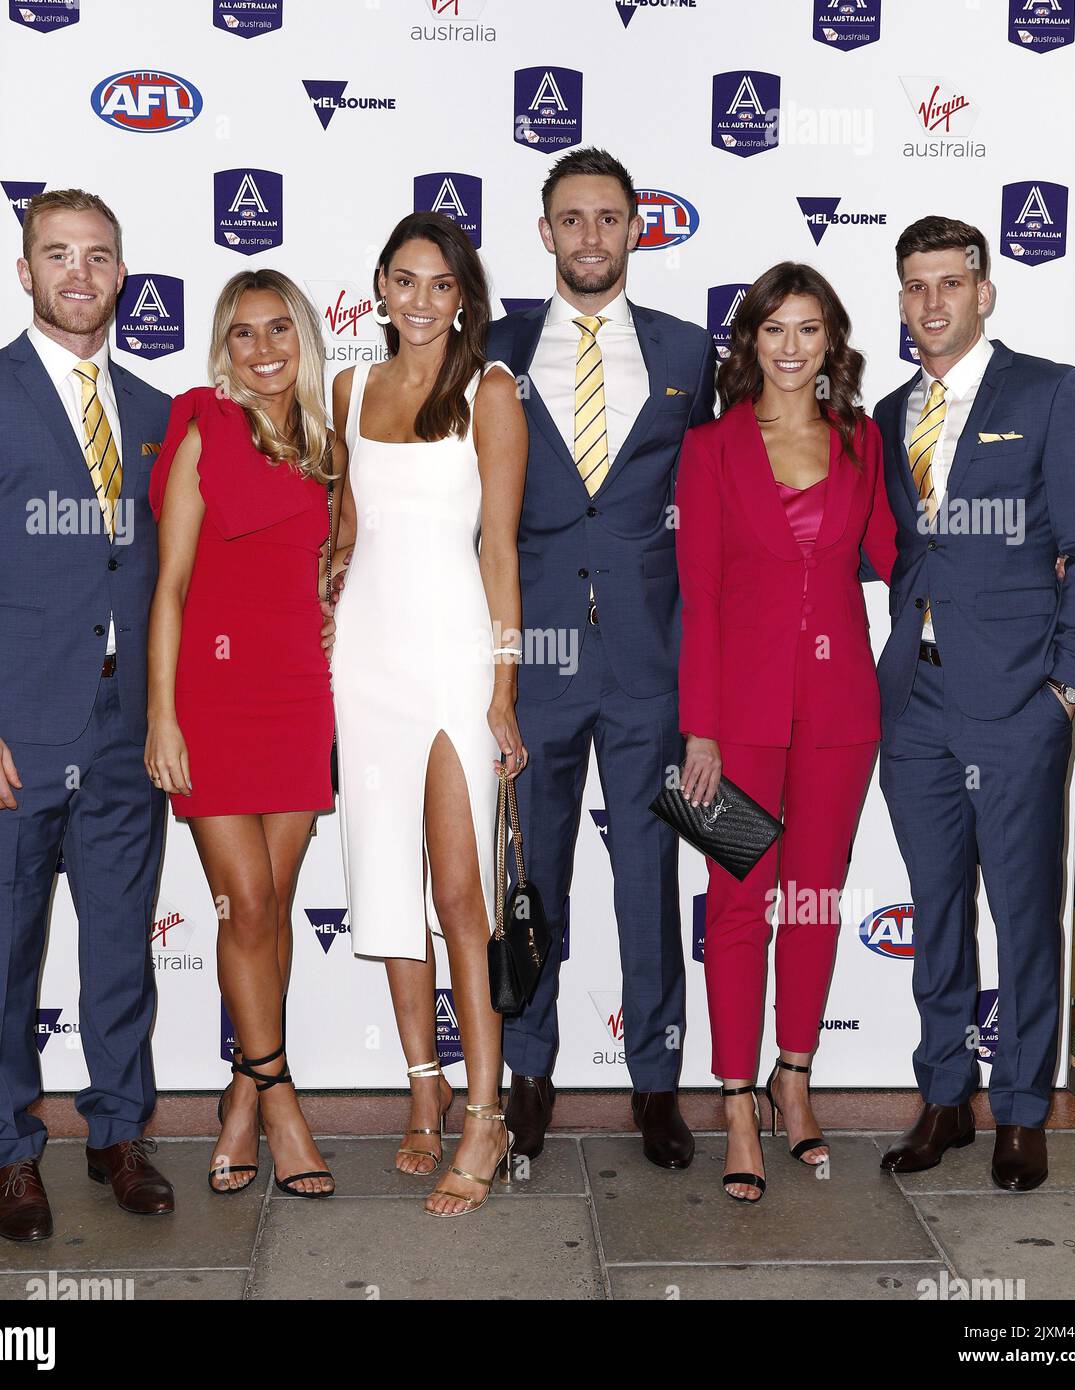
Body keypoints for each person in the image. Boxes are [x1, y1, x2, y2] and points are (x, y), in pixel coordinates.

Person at [0, 189, 174, 1240]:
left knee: (120, 947)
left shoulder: (153, 412)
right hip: (9, 735)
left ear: (121, 274)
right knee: (2, 956)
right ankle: (9, 1153)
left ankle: (119, 1134)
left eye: (97, 256)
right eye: (57, 254)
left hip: (125, 732)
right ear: (25, 271)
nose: (78, 273)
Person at [873, 217, 1075, 1192]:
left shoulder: (1051, 392)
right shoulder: (890, 411)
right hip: (915, 700)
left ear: (983, 292)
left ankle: (1020, 1109)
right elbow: (902, 551)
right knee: (935, 909)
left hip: (1017, 699)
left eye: (949, 282)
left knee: (1022, 915)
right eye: (914, 285)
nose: (931, 301)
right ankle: (944, 1096)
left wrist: (1064, 686)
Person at [485, 147, 716, 1168]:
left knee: (649, 877)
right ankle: (527, 1071)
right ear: (546, 232)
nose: (590, 236)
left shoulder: (688, 351)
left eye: (608, 218)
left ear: (635, 228)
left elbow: (708, 504)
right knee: (528, 879)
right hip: (530, 663)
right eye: (571, 219)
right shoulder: (492, 346)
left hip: (648, 665)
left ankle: (656, 1083)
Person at [675, 263, 898, 1201]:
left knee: (812, 899)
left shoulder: (863, 440)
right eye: (774, 329)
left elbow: (895, 555)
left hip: (841, 712)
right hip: (737, 722)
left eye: (808, 329)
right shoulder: (710, 448)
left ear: (830, 340)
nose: (791, 347)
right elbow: (698, 595)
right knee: (736, 904)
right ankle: (735, 1100)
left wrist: (1017, 559)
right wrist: (699, 731)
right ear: (751, 342)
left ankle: (792, 1079)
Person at [329, 211, 528, 1217]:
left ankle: (486, 1113)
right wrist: (322, 610)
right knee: (384, 884)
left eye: (439, 284)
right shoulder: (348, 388)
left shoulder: (489, 390)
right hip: (364, 662)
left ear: (462, 298)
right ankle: (424, 1089)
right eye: (404, 280)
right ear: (379, 286)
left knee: (460, 893)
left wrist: (502, 687)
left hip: (455, 662)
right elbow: (346, 528)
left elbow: (500, 548)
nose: (419, 300)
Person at [147, 269, 340, 1198]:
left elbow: (331, 568)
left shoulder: (326, 447)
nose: (263, 350)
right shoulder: (204, 430)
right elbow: (171, 586)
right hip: (213, 702)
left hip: (298, 696)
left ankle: (240, 1096)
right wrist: (161, 715)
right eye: (243, 334)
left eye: (278, 330)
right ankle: (281, 1101)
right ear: (222, 347)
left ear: (304, 338)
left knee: (274, 906)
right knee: (247, 905)